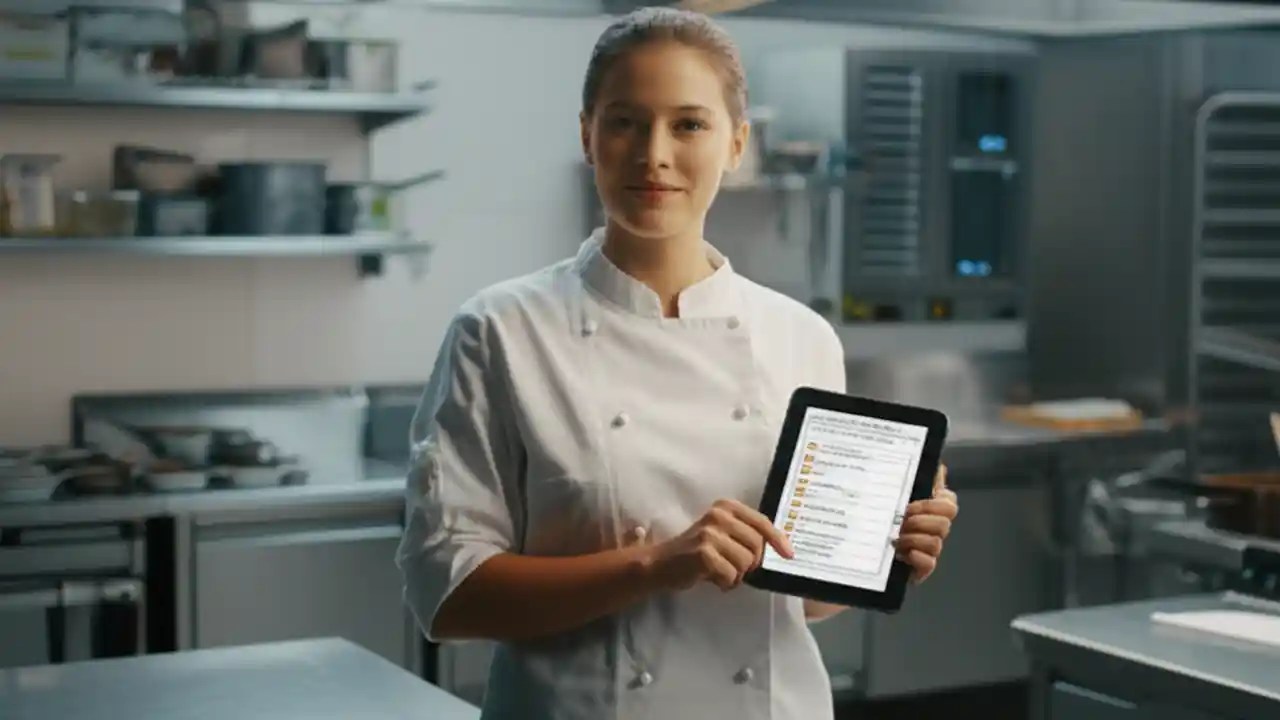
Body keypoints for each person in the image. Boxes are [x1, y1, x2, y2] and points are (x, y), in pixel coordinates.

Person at [396, 7, 959, 720]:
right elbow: (445, 594)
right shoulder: (501, 330)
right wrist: (654, 565)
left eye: (689, 124)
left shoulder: (802, 336)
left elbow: (805, 599)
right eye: (625, 121)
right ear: (586, 134)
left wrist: (885, 551)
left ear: (736, 144)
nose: (653, 153)